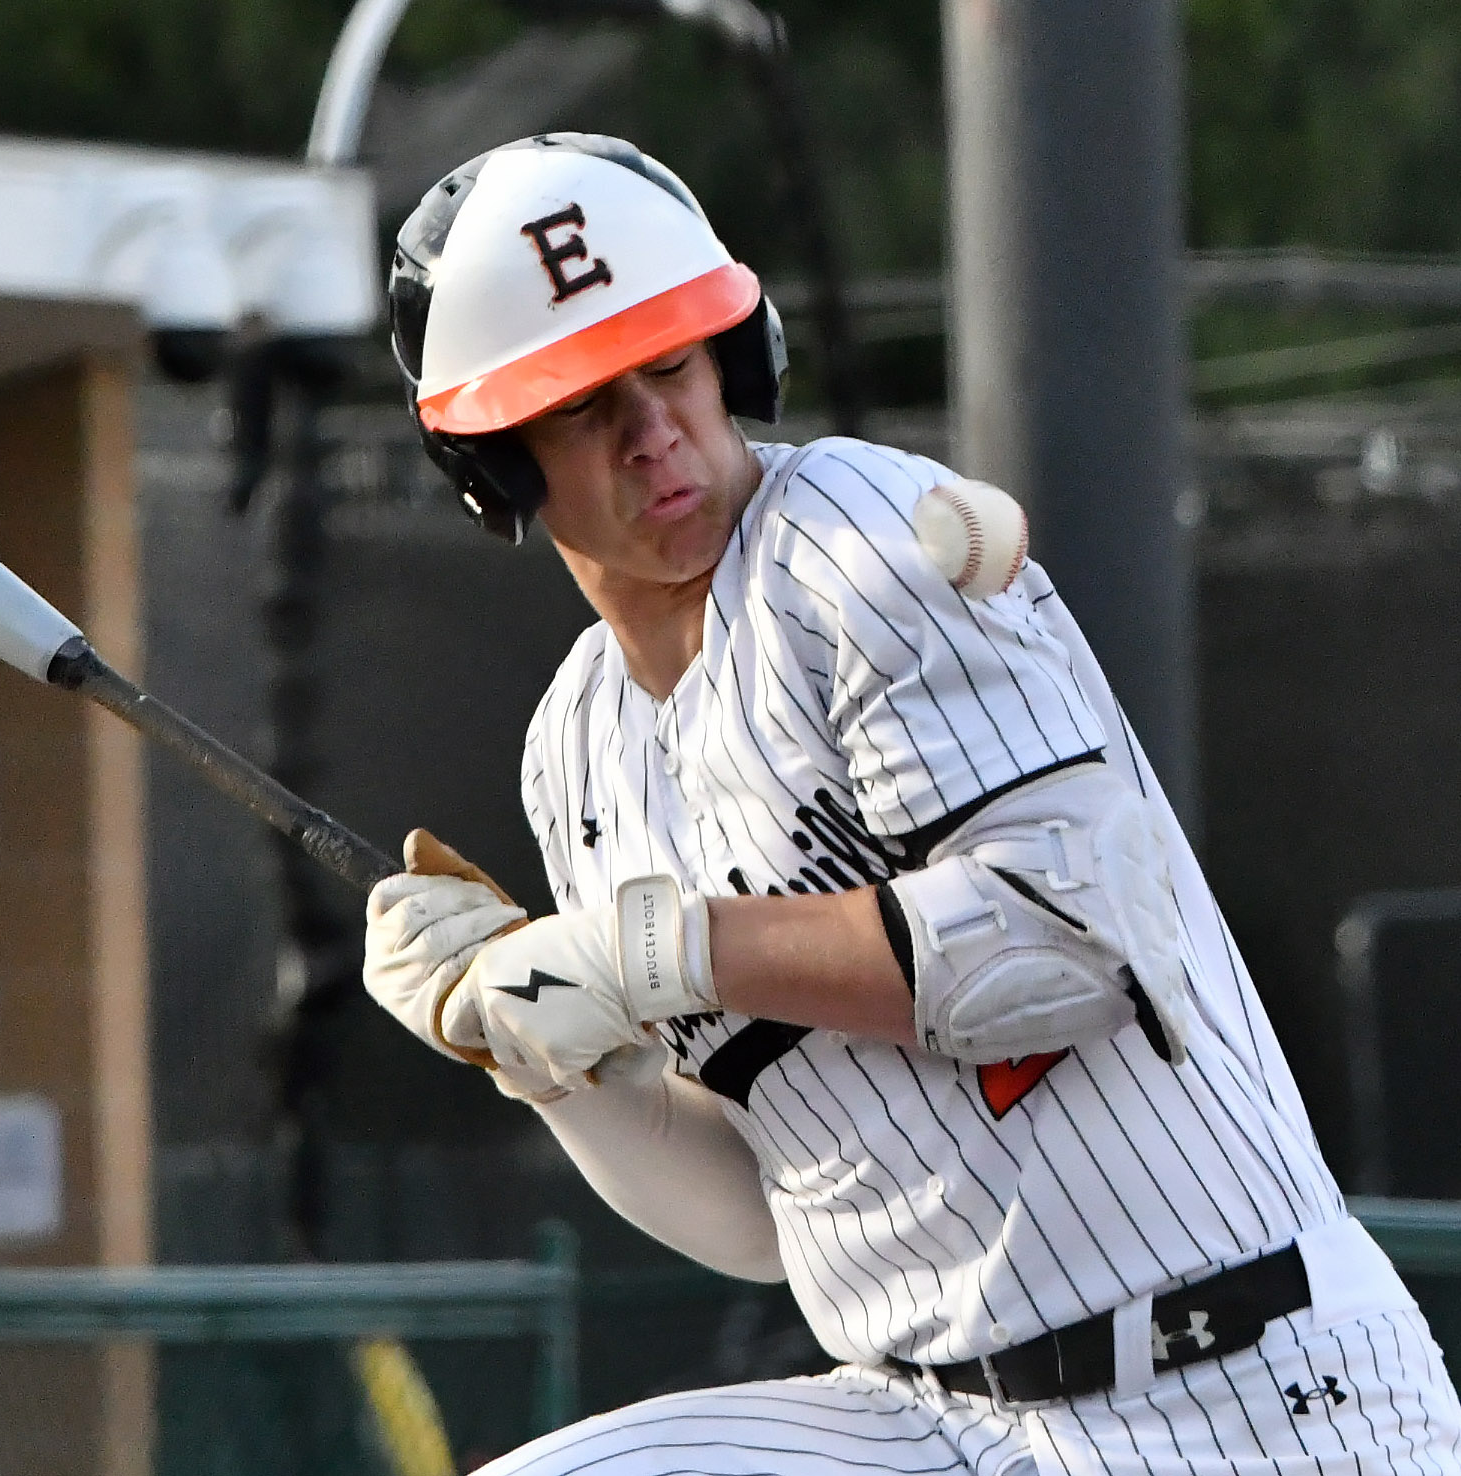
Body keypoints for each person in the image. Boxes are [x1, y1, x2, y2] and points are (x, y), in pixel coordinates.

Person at [362, 133, 1461, 1474]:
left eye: (674, 364)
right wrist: (546, 1058)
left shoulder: (863, 544)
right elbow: (759, 1220)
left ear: (736, 356)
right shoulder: (578, 756)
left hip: (1241, 1394)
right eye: (590, 402)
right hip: (934, 1421)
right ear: (498, 462)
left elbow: (1067, 948)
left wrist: (646, 952)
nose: (657, 436)